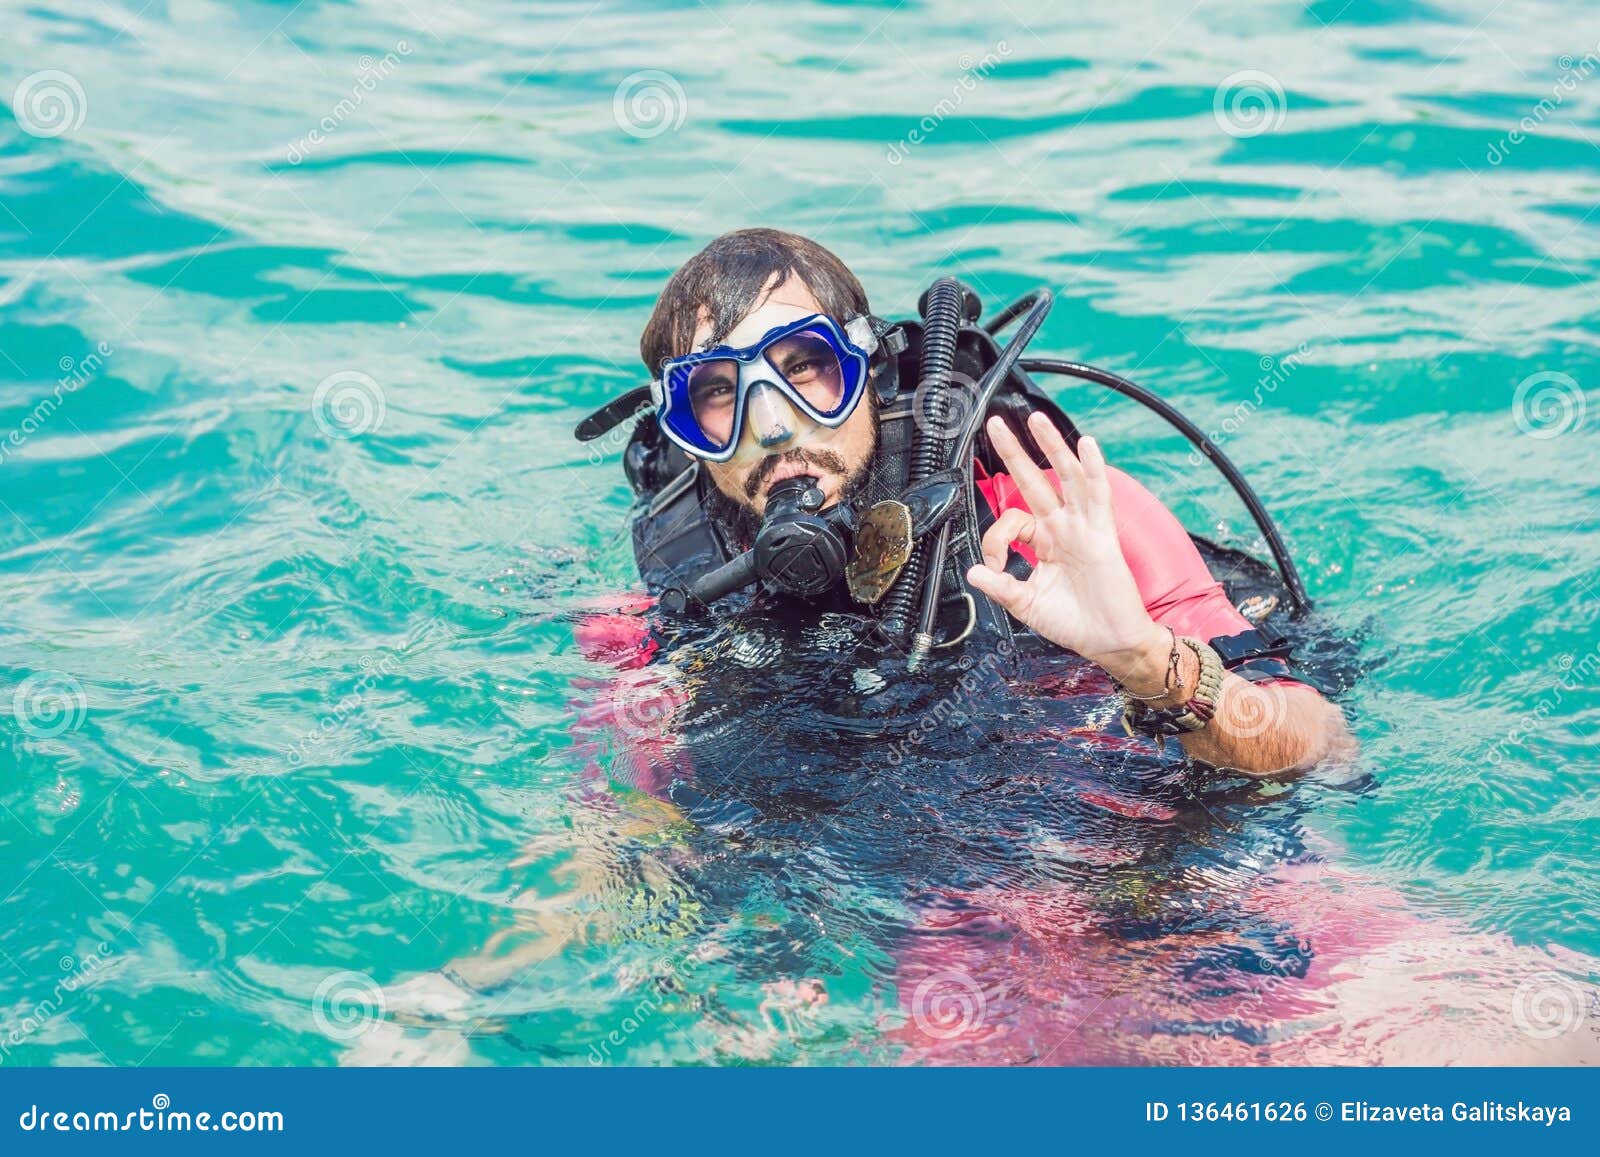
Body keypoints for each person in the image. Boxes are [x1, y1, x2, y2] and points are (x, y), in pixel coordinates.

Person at [621, 227, 1352, 777]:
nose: (773, 425)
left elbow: (1322, 744)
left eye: (806, 368)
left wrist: (1145, 660)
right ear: (683, 433)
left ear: (869, 371)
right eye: (718, 391)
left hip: (1154, 846)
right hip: (927, 919)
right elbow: (613, 835)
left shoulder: (1053, 520)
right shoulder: (674, 589)